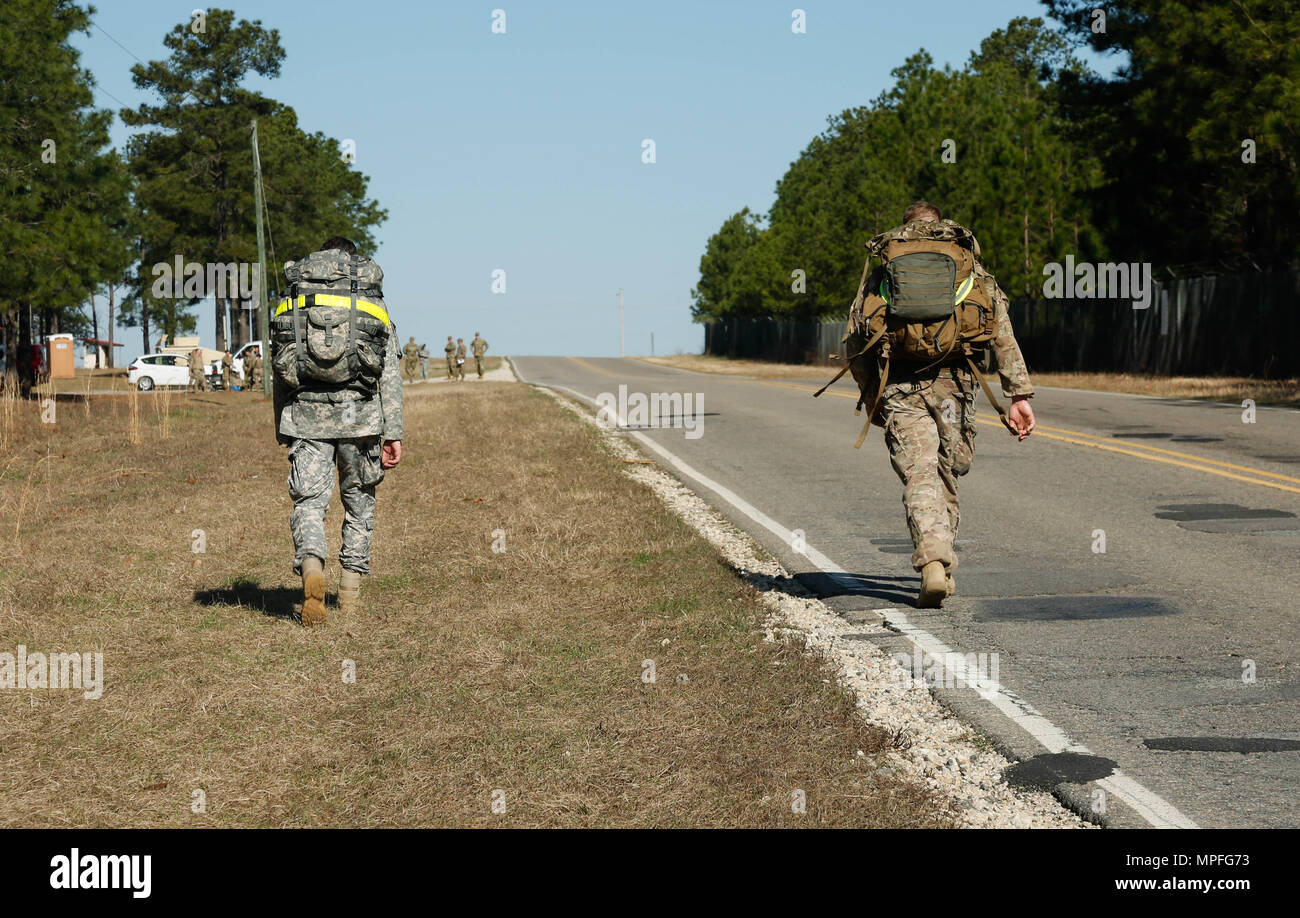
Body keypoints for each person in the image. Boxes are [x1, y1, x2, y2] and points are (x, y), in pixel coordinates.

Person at [862, 201, 1035, 608]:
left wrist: (872, 401)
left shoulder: (885, 272)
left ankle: (934, 562)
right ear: (940, 227)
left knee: (919, 473)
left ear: (904, 230)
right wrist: (1018, 395)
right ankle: (940, 560)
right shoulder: (967, 267)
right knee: (947, 471)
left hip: (901, 389)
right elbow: (1001, 330)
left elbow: (859, 336)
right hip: (955, 387)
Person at [272, 236, 403, 626]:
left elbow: (278, 367)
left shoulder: (294, 298)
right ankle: (349, 591)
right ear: (351, 259)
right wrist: (393, 431)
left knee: (309, 503)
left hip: (306, 417)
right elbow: (390, 375)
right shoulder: (369, 300)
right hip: (360, 417)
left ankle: (312, 566)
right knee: (359, 504)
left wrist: (283, 423)